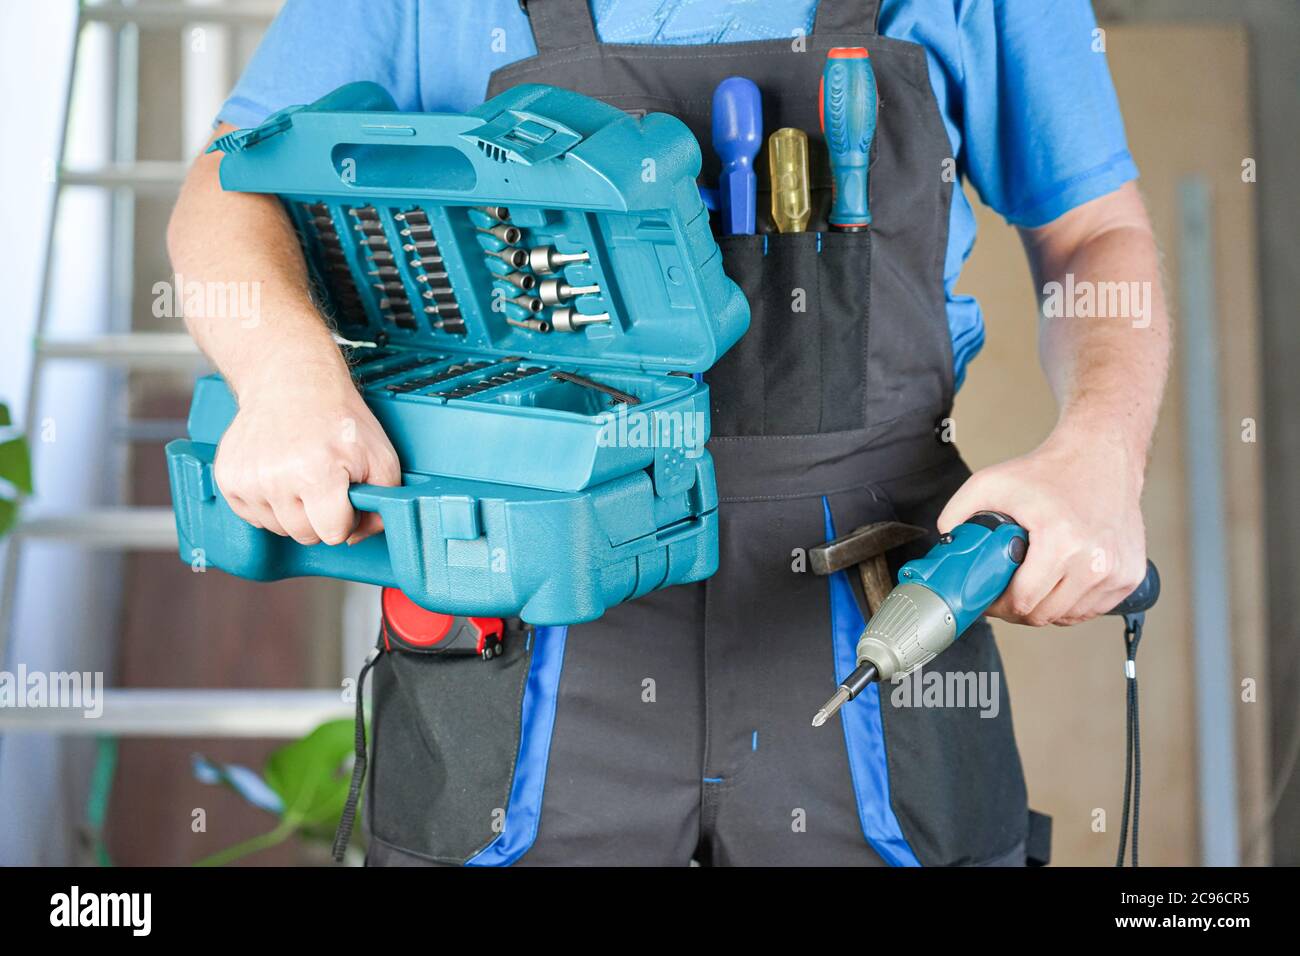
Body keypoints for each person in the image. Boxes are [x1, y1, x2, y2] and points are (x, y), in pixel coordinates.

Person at [168, 0, 1169, 866]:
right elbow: (227, 182)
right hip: (523, 602)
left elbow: (1092, 233)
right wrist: (286, 373)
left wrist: (1100, 449)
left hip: (876, 608)